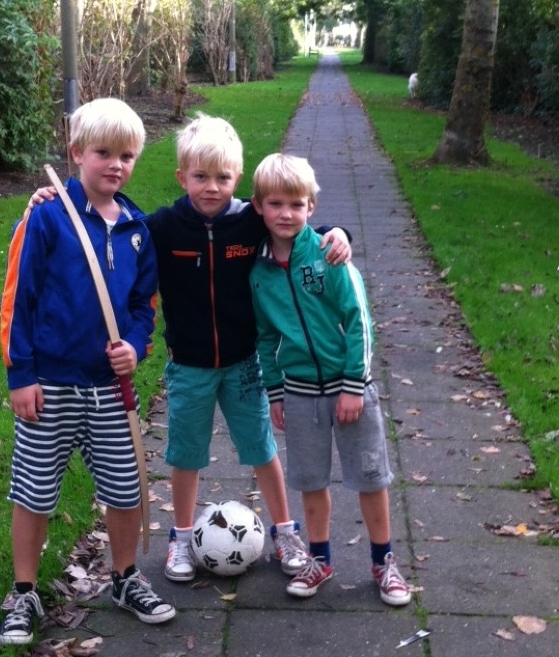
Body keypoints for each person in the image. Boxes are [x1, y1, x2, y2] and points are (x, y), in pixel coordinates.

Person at [27, 114, 352, 585]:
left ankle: (285, 532)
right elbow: (105, 228)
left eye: (223, 178)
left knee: (262, 448)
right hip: (188, 368)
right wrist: (50, 200)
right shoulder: (162, 227)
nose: (212, 188)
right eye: (200, 177)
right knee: (185, 455)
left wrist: (338, 231)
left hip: (244, 365)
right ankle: (180, 537)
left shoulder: (250, 223)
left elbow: (296, 227)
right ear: (182, 177)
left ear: (238, 180)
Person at [0, 98, 175, 647]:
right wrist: (21, 375)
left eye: (126, 156)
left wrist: (138, 348)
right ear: (76, 153)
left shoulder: (138, 230)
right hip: (50, 383)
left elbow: (145, 304)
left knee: (125, 490)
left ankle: (124, 578)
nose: (115, 165)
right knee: (34, 491)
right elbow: (18, 300)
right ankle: (24, 589)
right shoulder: (48, 217)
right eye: (103, 153)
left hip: (108, 387)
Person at [249, 153, 412, 607]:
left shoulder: (328, 253)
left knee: (370, 477)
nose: (286, 214)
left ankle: (385, 562)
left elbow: (358, 319)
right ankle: (319, 560)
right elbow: (264, 337)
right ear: (258, 205)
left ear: (312, 208)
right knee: (311, 481)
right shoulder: (258, 273)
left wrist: (352, 385)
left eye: (297, 204)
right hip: (300, 394)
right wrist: (276, 391)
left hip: (349, 389)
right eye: (276, 204)